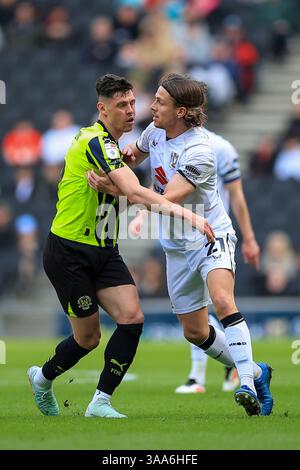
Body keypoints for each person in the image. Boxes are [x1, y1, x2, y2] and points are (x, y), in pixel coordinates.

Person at [27, 73, 214, 420]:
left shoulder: (115, 150)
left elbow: (126, 195)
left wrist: (121, 189)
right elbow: (135, 193)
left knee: (132, 318)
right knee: (88, 339)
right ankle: (42, 377)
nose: (131, 111)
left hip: (104, 249)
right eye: (121, 105)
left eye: (132, 103)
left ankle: (100, 401)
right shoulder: (94, 141)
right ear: (102, 108)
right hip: (69, 250)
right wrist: (191, 217)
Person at [87, 73, 273, 416]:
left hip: (209, 234)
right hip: (174, 245)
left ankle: (246, 382)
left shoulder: (200, 151)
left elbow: (167, 197)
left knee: (221, 299)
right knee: (194, 331)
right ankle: (260, 372)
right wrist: (124, 159)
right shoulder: (154, 131)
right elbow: (137, 157)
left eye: (159, 101)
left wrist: (118, 192)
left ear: (182, 111)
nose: (151, 105)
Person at [174, 128, 260, 394]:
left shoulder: (220, 148)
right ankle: (244, 370)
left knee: (221, 302)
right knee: (196, 318)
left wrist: (249, 238)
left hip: (212, 232)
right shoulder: (158, 139)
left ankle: (209, 376)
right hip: (179, 233)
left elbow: (236, 195)